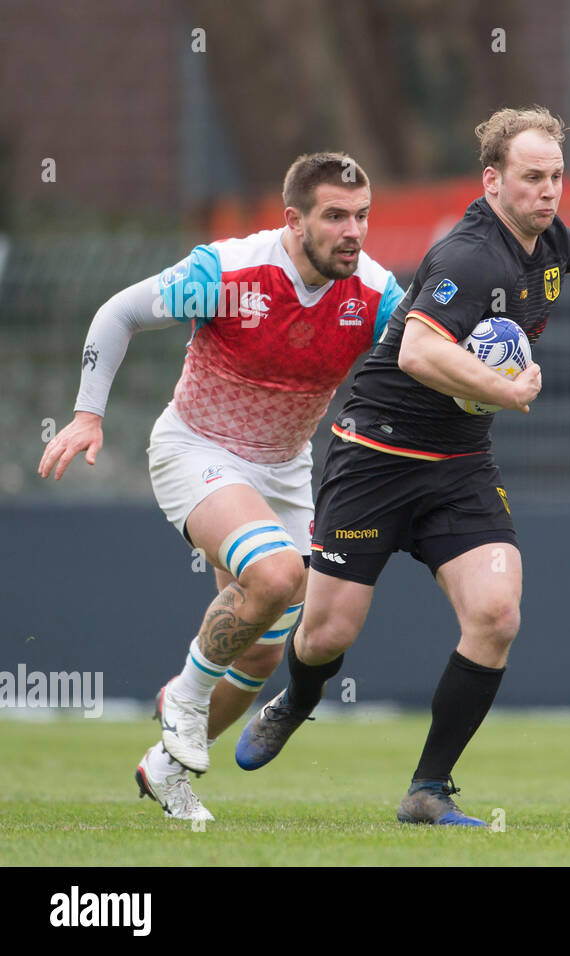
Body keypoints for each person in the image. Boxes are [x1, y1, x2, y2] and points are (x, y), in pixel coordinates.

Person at [232, 105, 570, 827]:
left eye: (557, 177)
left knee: (496, 612)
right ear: (493, 180)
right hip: (378, 456)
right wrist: (505, 388)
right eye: (533, 178)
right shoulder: (468, 255)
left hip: (458, 464)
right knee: (327, 633)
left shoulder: (543, 240)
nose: (549, 191)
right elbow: (419, 352)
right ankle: (296, 698)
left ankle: (429, 789)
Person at [37, 153, 404, 821]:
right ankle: (183, 696)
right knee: (272, 574)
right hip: (196, 448)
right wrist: (88, 413)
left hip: (285, 470)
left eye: (361, 216)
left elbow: (426, 350)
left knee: (264, 650)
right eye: (334, 216)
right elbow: (118, 313)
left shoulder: (377, 295)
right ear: (294, 221)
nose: (352, 231)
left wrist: (493, 367)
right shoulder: (229, 272)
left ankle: (167, 769)